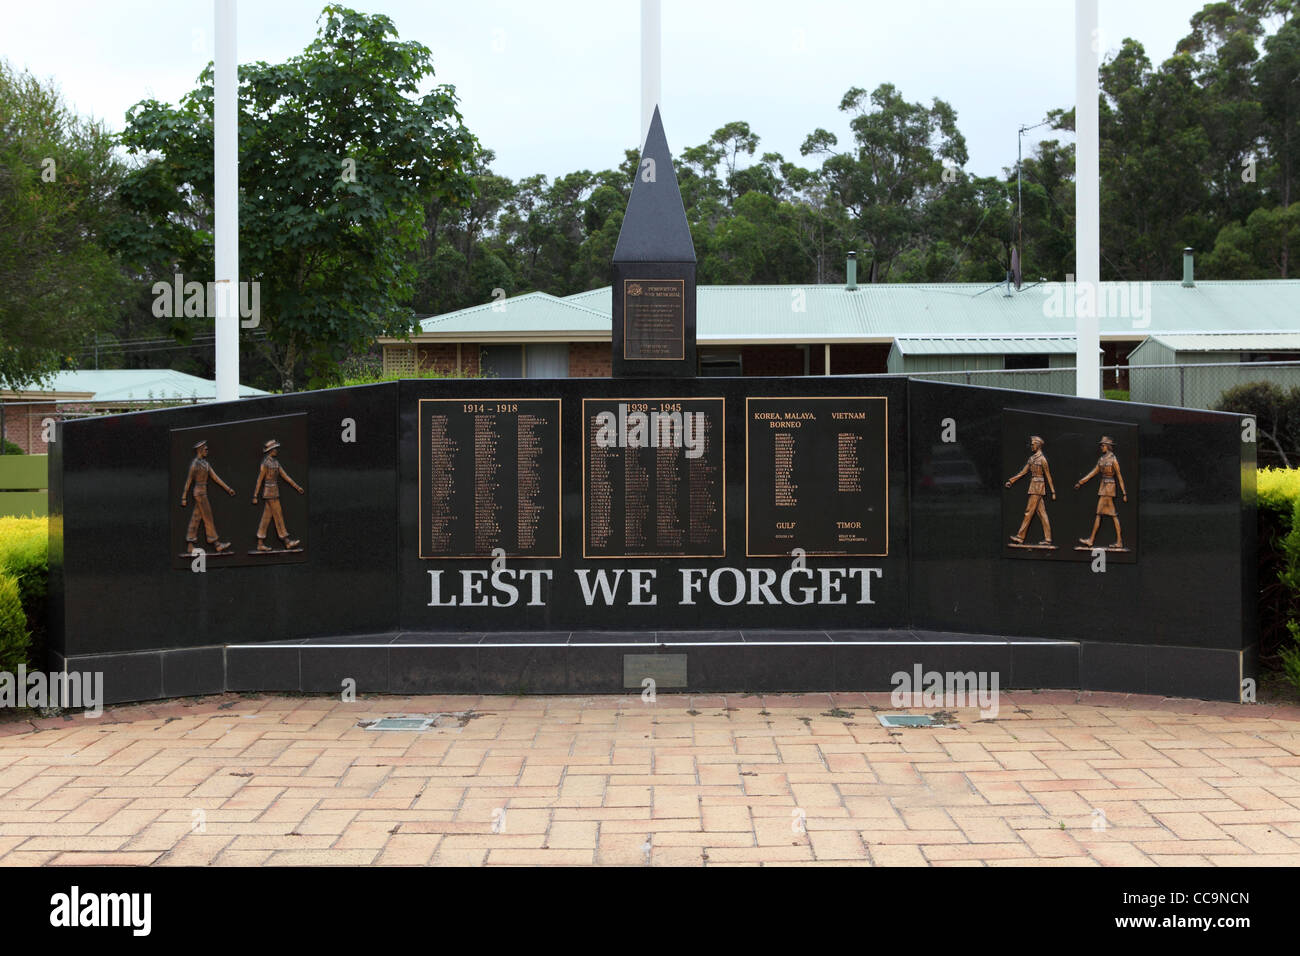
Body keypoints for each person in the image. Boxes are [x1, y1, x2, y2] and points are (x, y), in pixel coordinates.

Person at [180, 439, 235, 554]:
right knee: (208, 517)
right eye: (205, 449)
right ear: (200, 450)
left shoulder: (206, 464)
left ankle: (190, 545)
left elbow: (215, 478)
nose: (207, 451)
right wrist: (184, 497)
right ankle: (216, 544)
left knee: (196, 517)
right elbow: (188, 481)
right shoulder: (195, 465)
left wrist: (227, 489)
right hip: (199, 493)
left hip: (203, 492)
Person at [252, 439, 305, 551]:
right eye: (275, 448)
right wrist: (255, 495)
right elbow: (259, 480)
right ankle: (286, 541)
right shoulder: (265, 463)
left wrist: (296, 486)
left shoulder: (276, 463)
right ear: (270, 450)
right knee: (278, 515)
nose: (276, 450)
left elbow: (285, 476)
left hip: (274, 492)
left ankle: (260, 543)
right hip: (269, 493)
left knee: (266, 518)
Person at [1075, 436, 1127, 549]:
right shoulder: (1102, 460)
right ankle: (1115, 541)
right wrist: (1081, 481)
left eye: (1103, 445)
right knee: (1108, 515)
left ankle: (1095, 540)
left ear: (1108, 446)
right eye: (1101, 445)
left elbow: (1119, 476)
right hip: (1103, 489)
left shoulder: (1113, 459)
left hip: (1109, 490)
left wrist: (1124, 493)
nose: (1101, 447)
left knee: (1105, 515)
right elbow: (1093, 472)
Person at [1005, 435, 1055, 546]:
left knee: (1028, 512)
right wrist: (1011, 481)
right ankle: (1048, 539)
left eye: (1033, 444)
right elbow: (1023, 472)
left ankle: (1020, 537)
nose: (1031, 446)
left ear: (1038, 444)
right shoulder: (1032, 459)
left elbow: (1048, 476)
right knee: (1042, 514)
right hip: (1033, 487)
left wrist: (1053, 491)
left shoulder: (1042, 459)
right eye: (1031, 444)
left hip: (1038, 488)